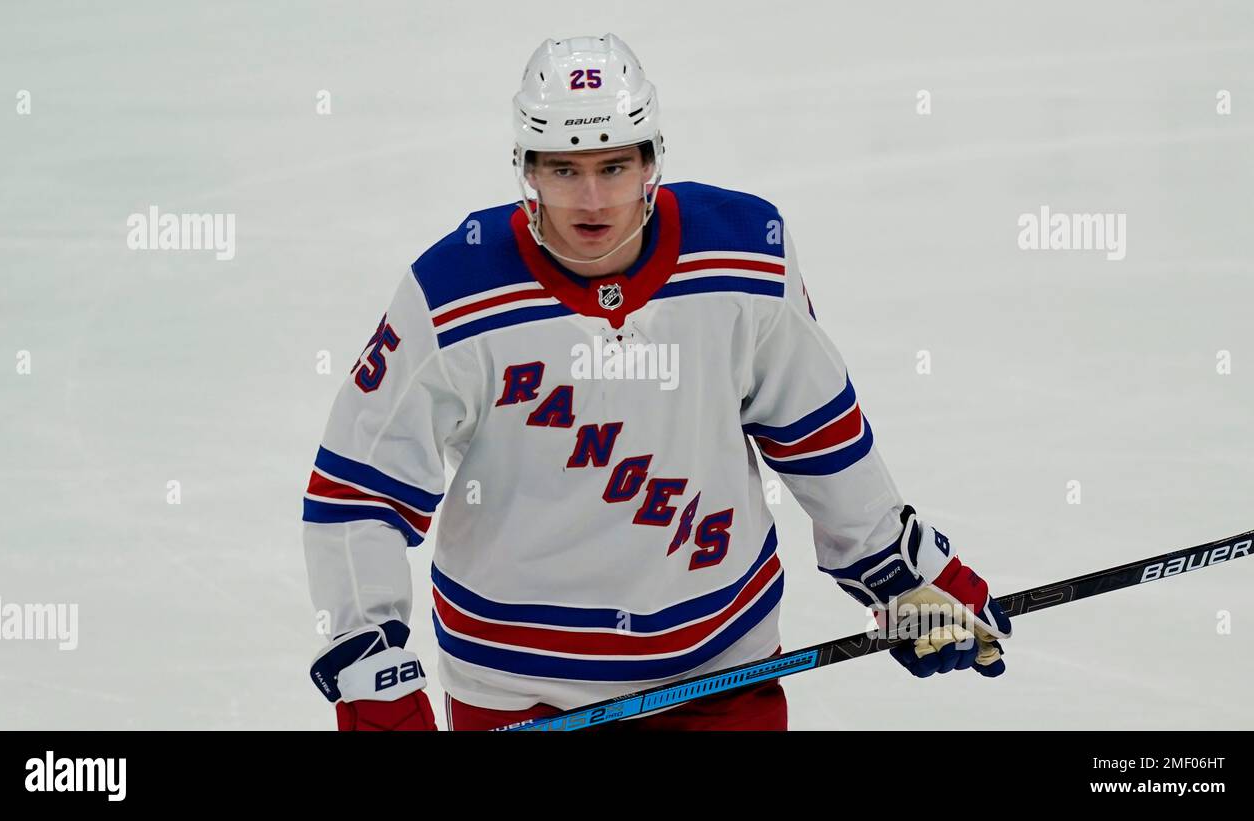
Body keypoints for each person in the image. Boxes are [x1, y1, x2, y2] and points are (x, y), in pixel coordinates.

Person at [303, 33, 1012, 732]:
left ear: (652, 163)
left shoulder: (745, 259)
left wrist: (909, 575)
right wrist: (375, 677)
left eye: (613, 167)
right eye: (563, 169)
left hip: (720, 670)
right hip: (520, 685)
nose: (590, 198)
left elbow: (817, 433)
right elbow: (357, 491)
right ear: (526, 169)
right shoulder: (453, 294)